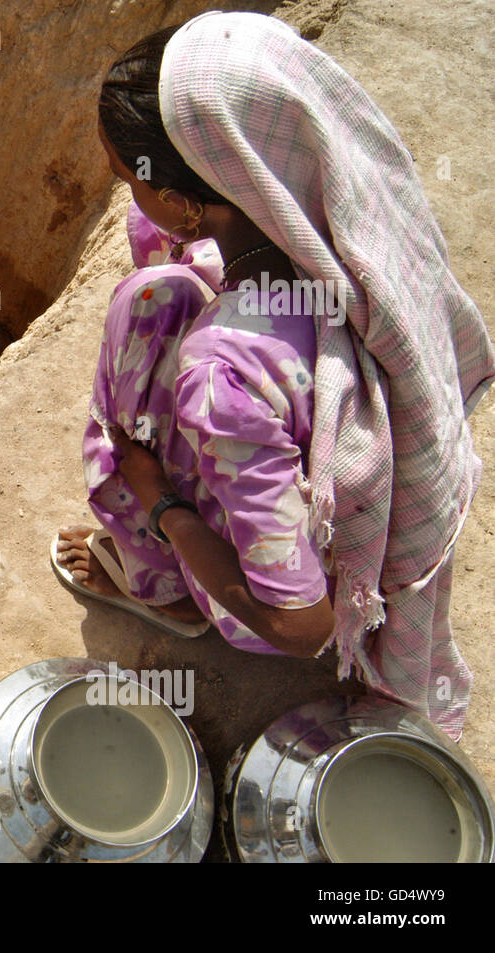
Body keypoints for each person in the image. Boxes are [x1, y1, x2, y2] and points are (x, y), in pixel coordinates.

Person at [52, 12, 493, 738]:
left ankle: (168, 590)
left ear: (190, 199)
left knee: (143, 309)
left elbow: (302, 624)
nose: (131, 197)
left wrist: (159, 500)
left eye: (129, 178)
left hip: (297, 582)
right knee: (160, 280)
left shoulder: (223, 374)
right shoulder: (354, 220)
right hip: (358, 460)